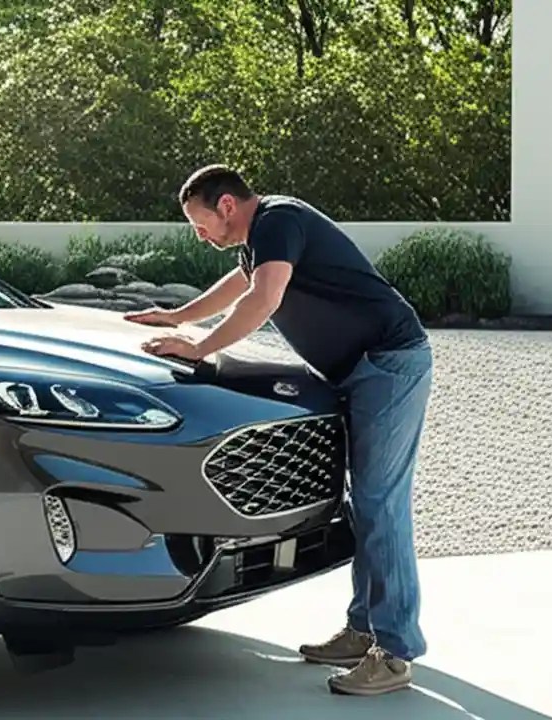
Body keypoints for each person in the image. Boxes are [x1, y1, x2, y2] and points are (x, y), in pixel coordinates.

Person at [126, 164, 432, 697]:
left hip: (388, 364)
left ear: (226, 206)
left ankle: (396, 650)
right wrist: (178, 318)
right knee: (365, 505)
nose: (199, 235)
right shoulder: (262, 237)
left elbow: (261, 298)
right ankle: (364, 631)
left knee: (382, 504)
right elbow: (238, 285)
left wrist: (199, 347)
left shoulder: (279, 219)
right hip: (364, 369)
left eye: (200, 223)